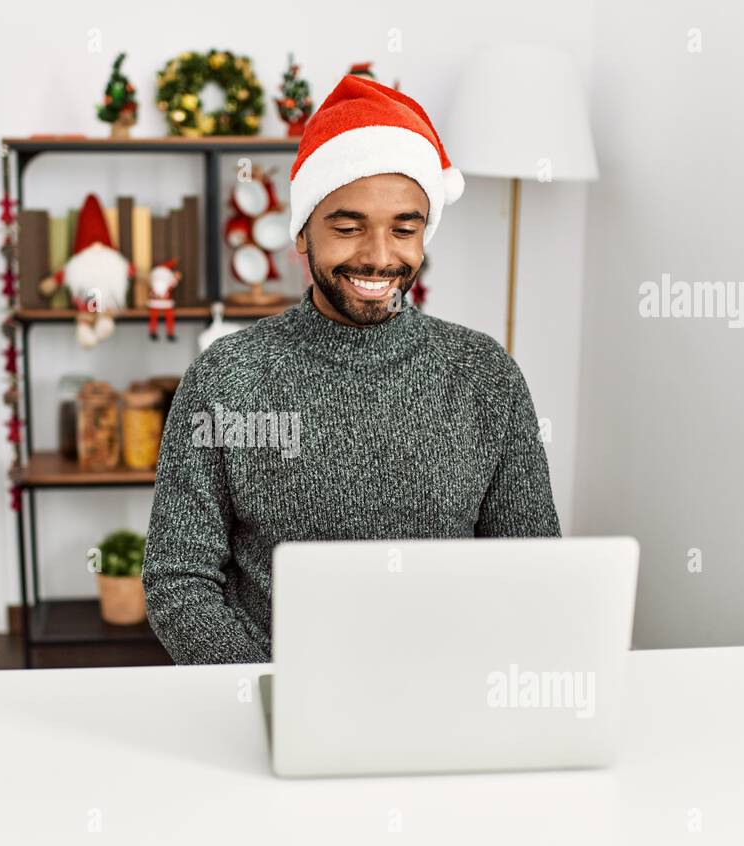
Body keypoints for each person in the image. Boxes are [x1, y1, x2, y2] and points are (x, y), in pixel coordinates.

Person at [143, 75, 561, 666]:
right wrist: (273, 689)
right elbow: (178, 577)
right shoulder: (226, 377)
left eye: (405, 228)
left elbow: (531, 567)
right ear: (302, 236)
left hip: (450, 686)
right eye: (347, 226)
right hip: (276, 693)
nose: (380, 255)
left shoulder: (484, 375)